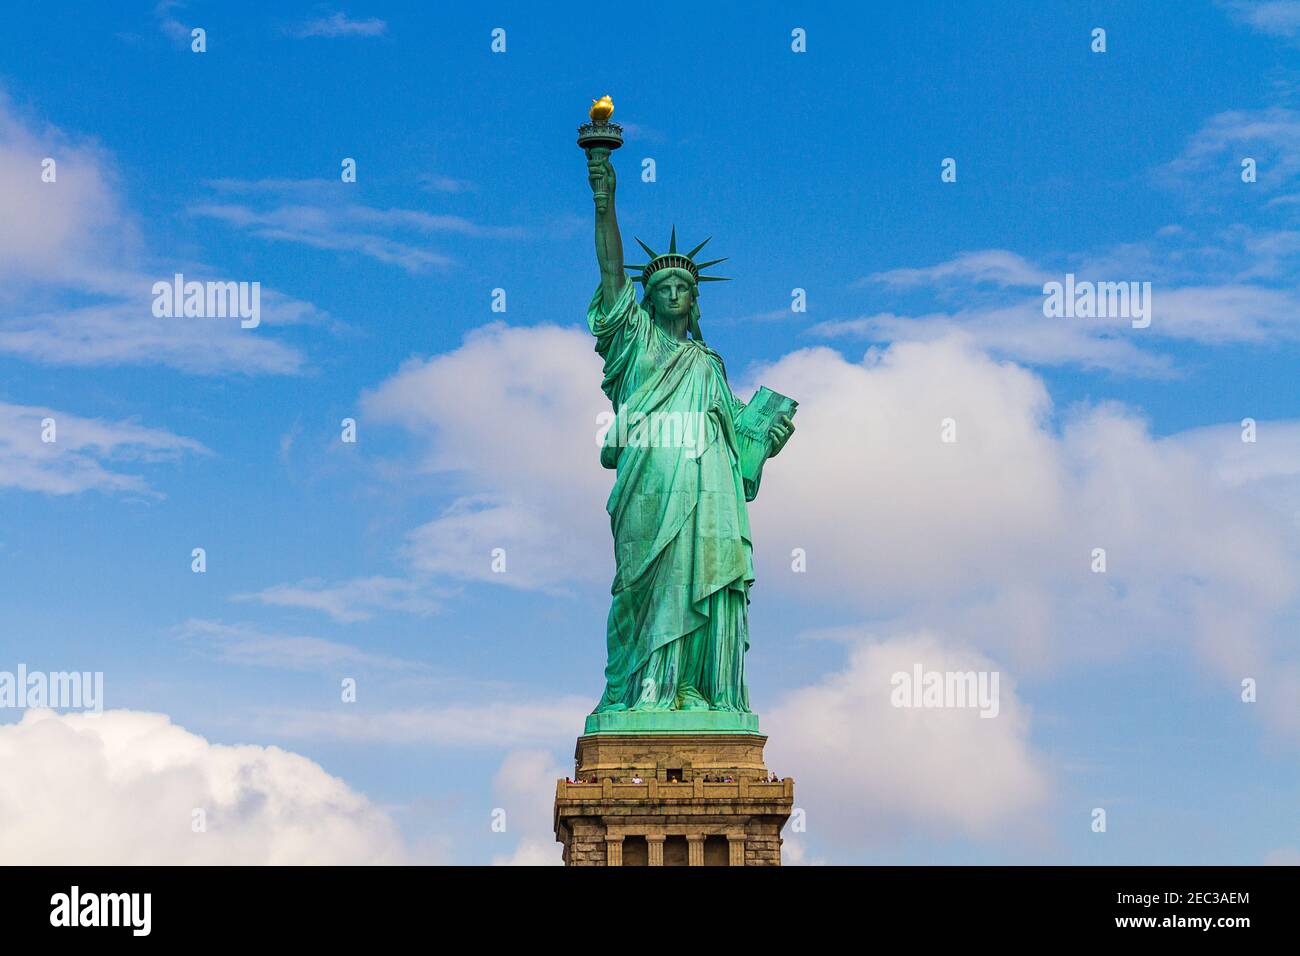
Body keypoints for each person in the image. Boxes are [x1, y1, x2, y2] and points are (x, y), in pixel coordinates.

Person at [583, 145, 795, 717]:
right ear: (646, 300)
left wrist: (762, 442)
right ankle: (645, 688)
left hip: (712, 487)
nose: (673, 292)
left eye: (683, 287)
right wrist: (604, 196)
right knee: (648, 581)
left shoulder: (710, 364)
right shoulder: (636, 345)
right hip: (653, 475)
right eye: (662, 287)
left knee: (707, 574)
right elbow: (609, 270)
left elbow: (740, 443)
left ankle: (696, 688)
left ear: (694, 299)